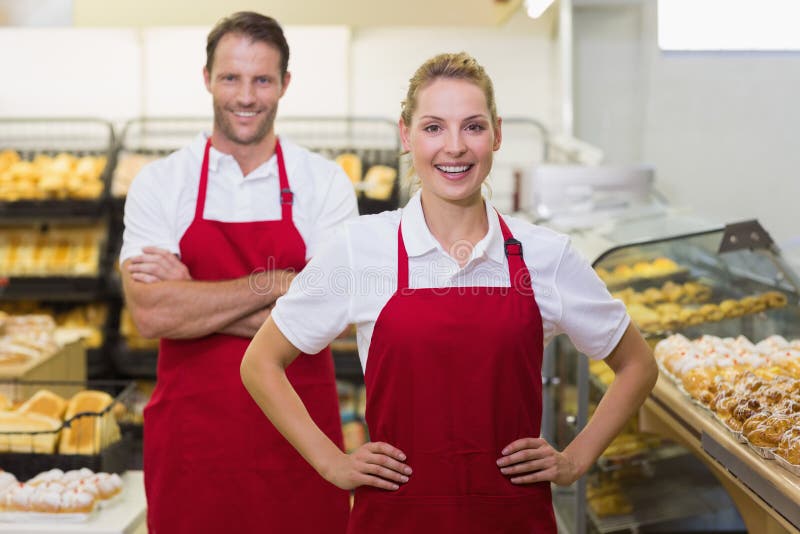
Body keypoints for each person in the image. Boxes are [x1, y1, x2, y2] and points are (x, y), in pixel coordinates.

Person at [241, 52, 658, 533]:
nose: (455, 147)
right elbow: (261, 362)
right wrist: (331, 462)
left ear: (497, 134)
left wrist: (574, 460)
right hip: (396, 519)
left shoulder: (547, 255)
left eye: (473, 127)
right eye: (434, 127)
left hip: (513, 520)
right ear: (406, 135)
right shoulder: (362, 249)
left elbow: (638, 365)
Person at [120, 11, 356, 534]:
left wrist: (192, 299)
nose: (246, 96)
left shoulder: (325, 182)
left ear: (285, 84)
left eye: (262, 80)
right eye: (231, 77)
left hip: (301, 444)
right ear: (207, 78)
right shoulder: (161, 182)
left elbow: (335, 317)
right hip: (193, 447)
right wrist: (277, 285)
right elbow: (152, 313)